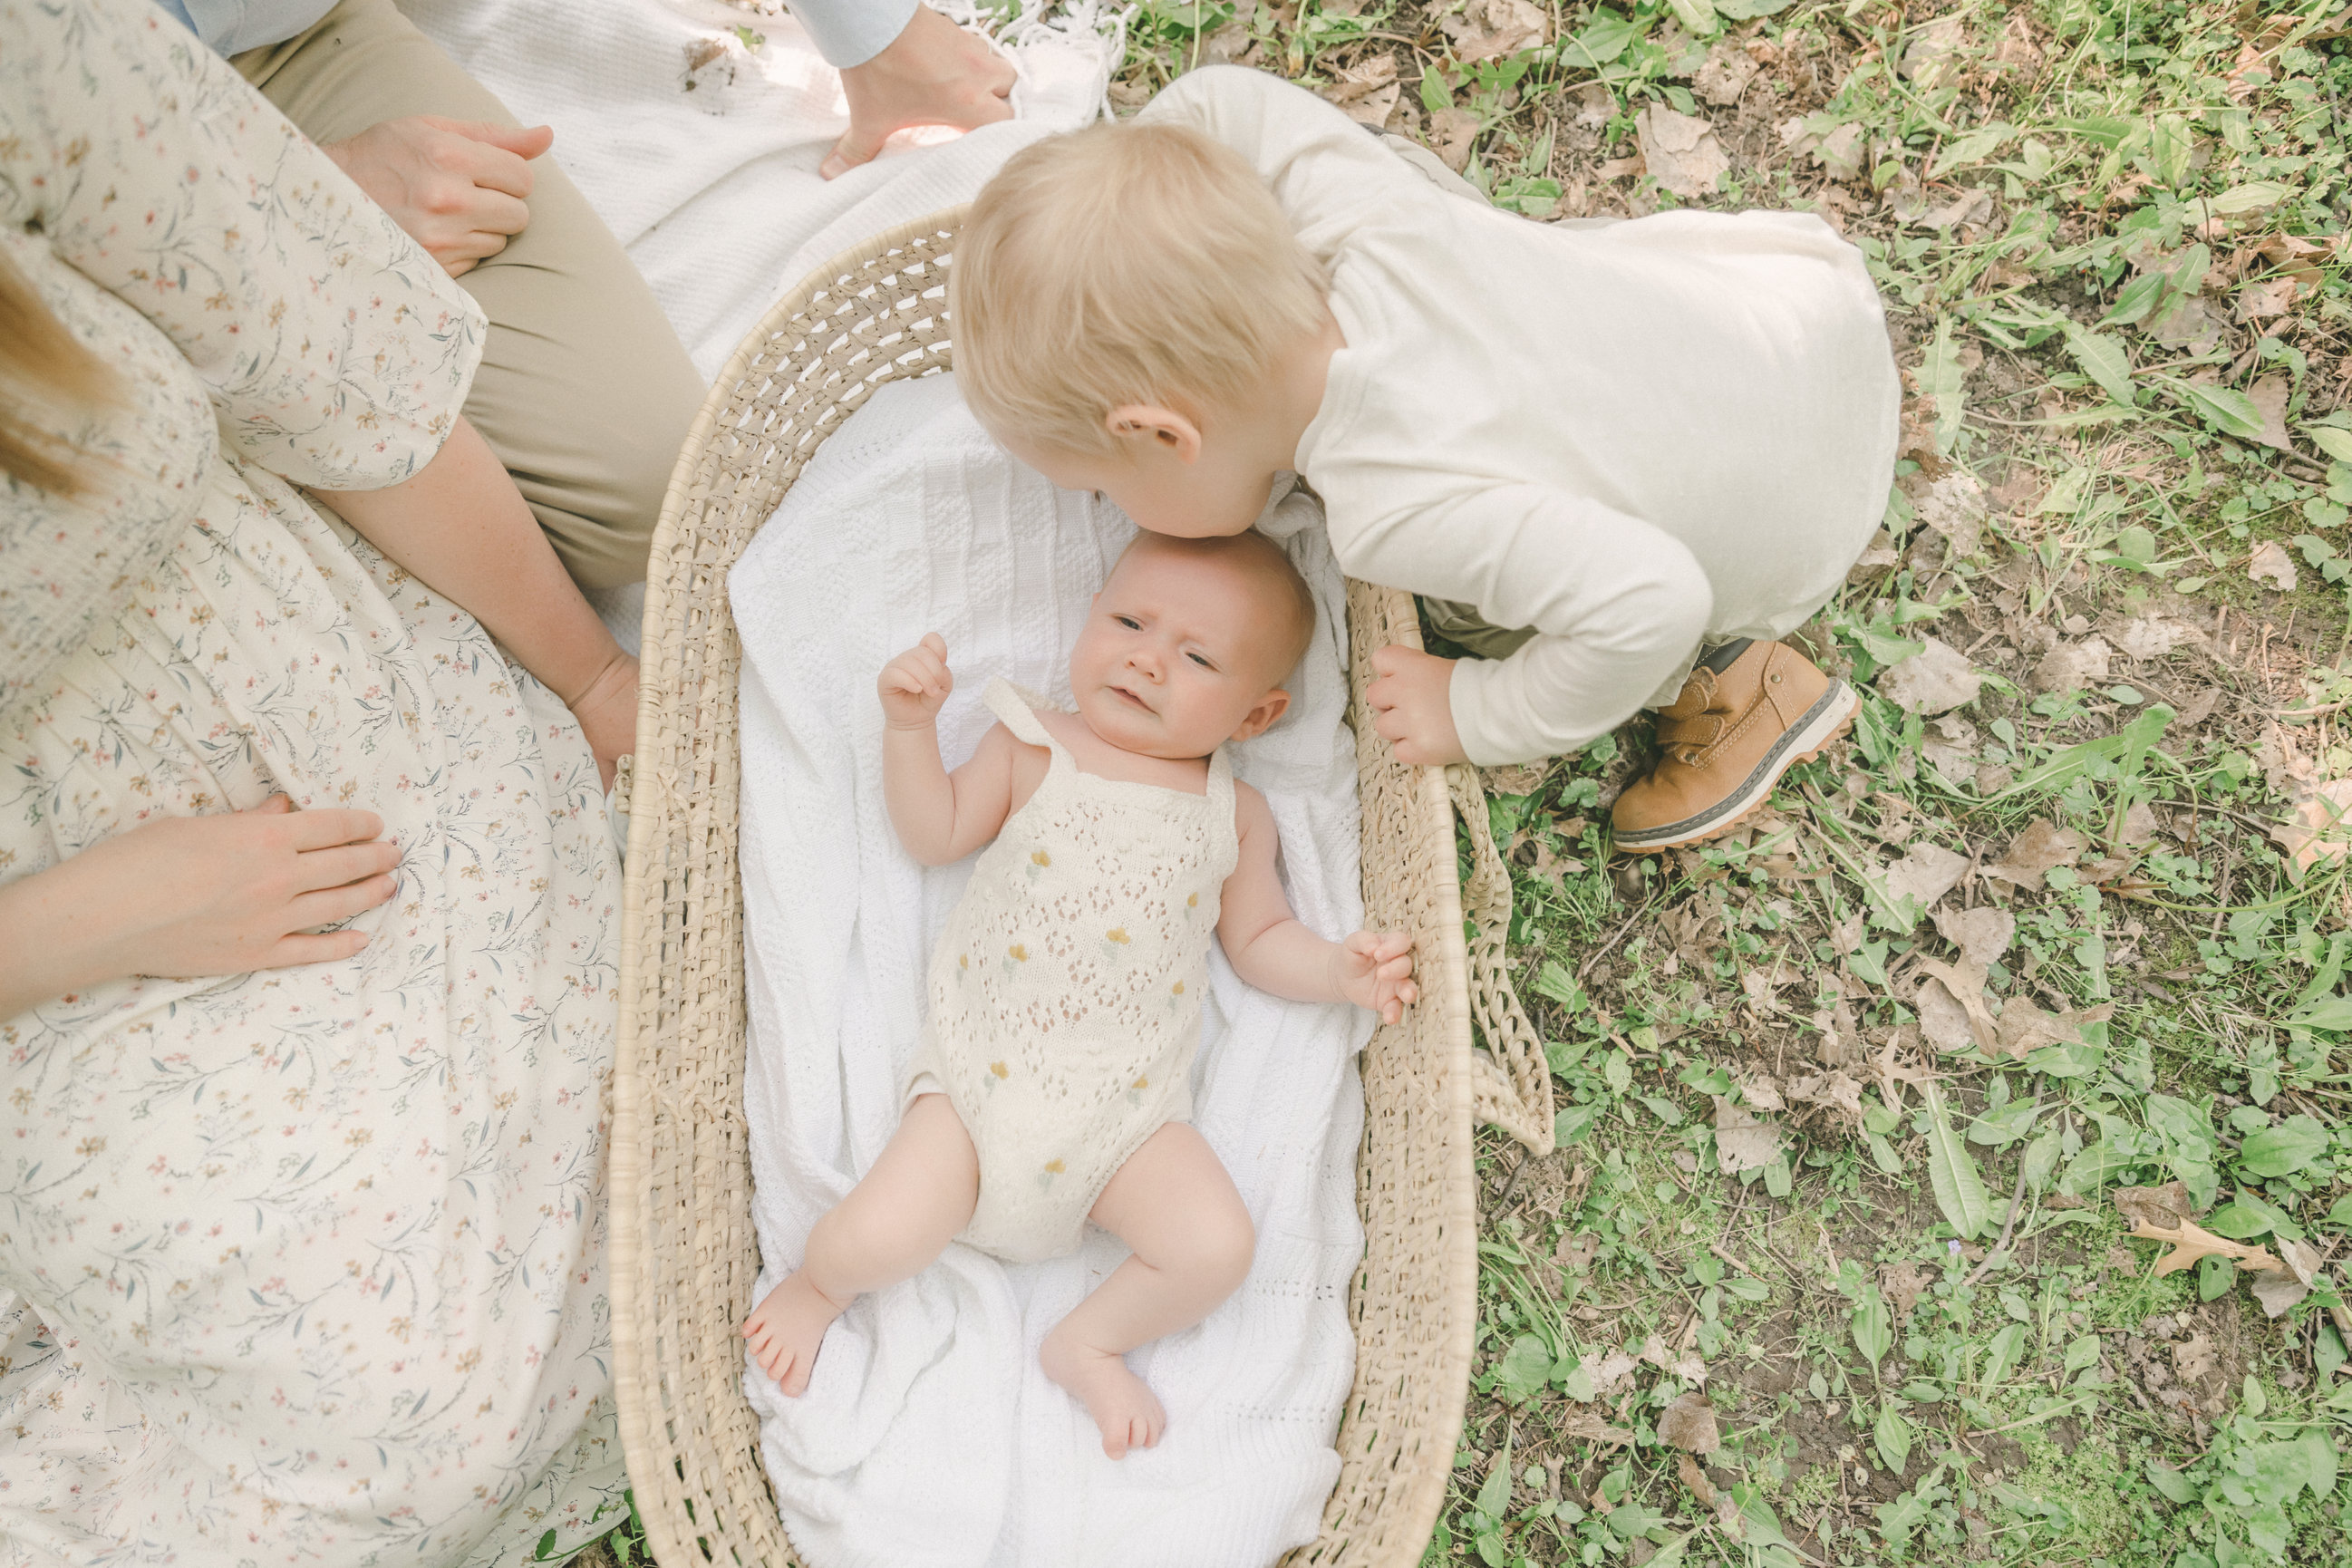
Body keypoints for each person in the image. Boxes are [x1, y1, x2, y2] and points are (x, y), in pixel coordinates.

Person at [0, 0, 640, 1557]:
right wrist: (86, 920)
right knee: (380, 1407)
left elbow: (335, 363)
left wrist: (590, 678)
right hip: (43, 929)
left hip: (297, 679)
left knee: (635, 1110)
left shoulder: (27, 50)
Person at [945, 66, 1904, 851]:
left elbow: (1652, 602)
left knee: (1474, 615)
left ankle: (1737, 688)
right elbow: (1210, 102)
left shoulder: (1395, 504)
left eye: (1107, 485)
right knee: (1433, 197)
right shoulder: (1344, 204)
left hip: (1796, 515)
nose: (1120, 507)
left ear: (1165, 435)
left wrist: (1478, 711)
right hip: (1788, 318)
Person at [740, 532, 1416, 1459]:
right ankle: (819, 1291)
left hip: (1125, 1122)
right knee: (872, 1235)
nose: (1146, 656)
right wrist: (909, 729)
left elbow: (1260, 942)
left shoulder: (1235, 812)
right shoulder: (1031, 741)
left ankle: (1090, 1339)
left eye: (1196, 655)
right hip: (978, 1091)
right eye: (1130, 620)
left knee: (1216, 1245)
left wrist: (1340, 968)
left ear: (1256, 715)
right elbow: (934, 831)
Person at [155, 0, 1016, 588]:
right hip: (45, 172)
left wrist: (872, 30)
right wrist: (284, 200)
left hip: (257, 33)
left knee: (651, 488)